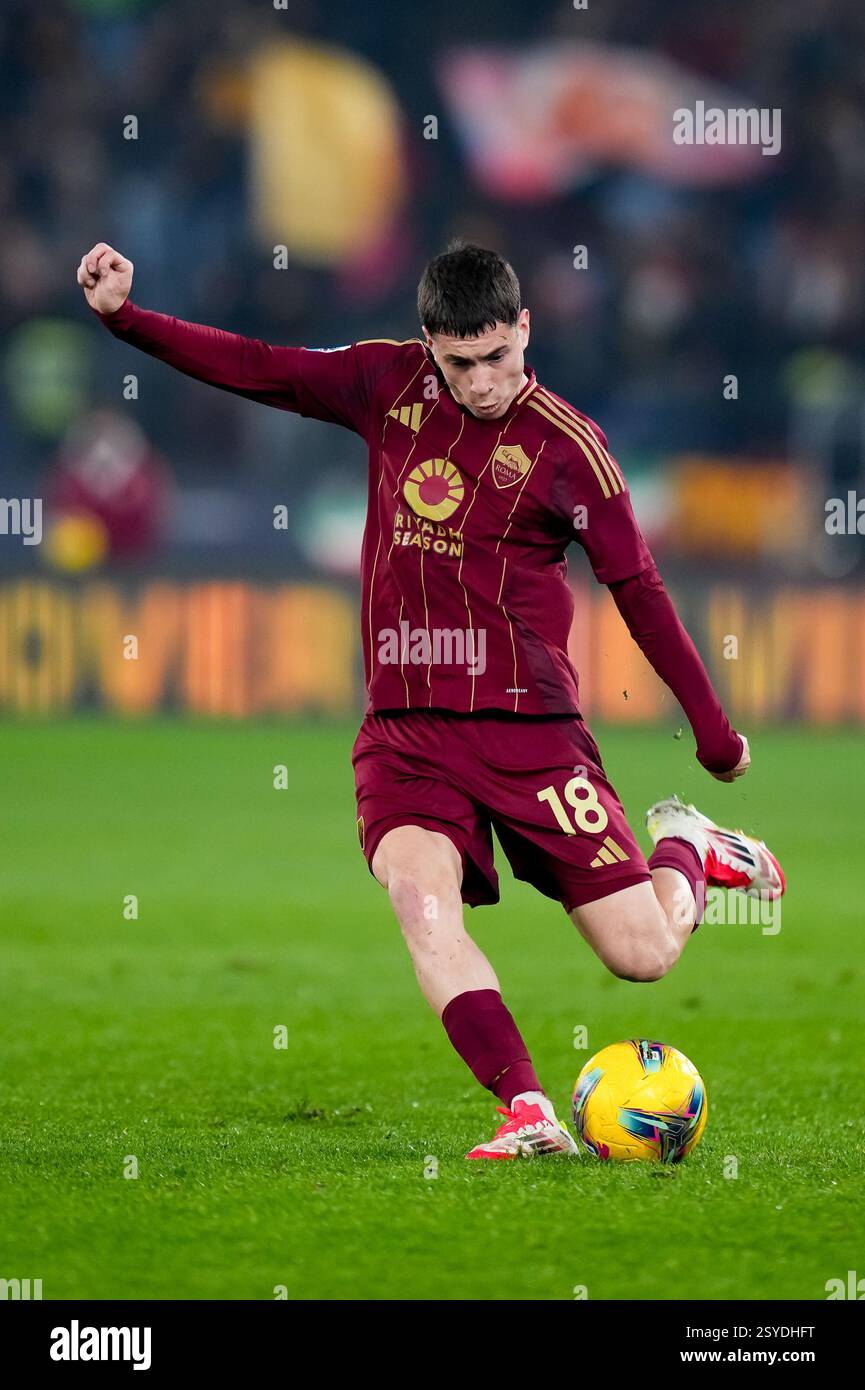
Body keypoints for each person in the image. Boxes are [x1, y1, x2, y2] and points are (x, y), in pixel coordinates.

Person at [78, 238, 785, 1160]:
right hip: (407, 734)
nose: (485, 381)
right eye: (461, 364)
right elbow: (257, 367)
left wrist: (714, 733)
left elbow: (639, 591)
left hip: (532, 733)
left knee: (642, 954)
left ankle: (689, 846)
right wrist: (127, 318)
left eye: (499, 357)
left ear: (524, 330)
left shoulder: (570, 449)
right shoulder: (385, 385)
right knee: (419, 899)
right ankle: (526, 1109)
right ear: (427, 345)